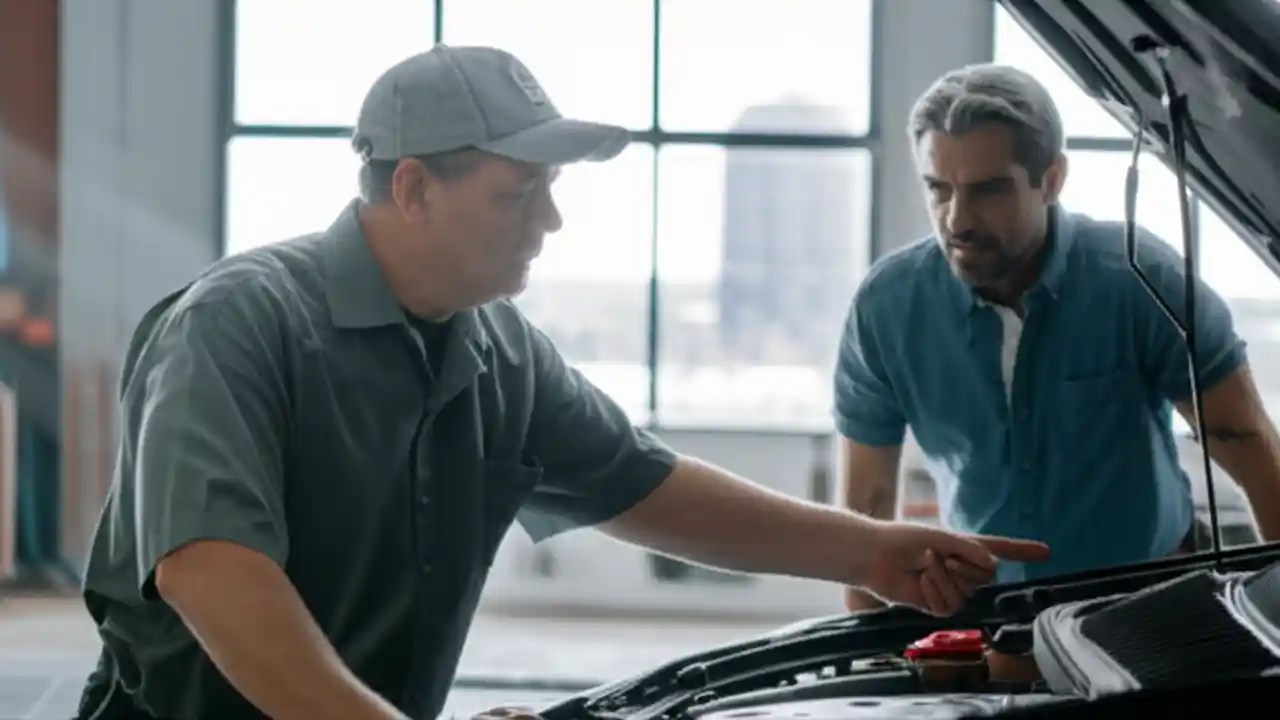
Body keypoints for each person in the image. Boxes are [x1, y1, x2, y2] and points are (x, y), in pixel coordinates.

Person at [73, 46, 1050, 720]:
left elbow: (644, 485)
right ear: (411, 188)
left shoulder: (497, 347)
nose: (549, 223)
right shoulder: (236, 325)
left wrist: (868, 552)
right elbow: (214, 573)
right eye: (518, 194)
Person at [834, 62, 1280, 612]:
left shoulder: (1140, 278)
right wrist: (868, 655)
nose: (957, 220)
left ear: (1052, 178)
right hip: (985, 608)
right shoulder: (887, 305)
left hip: (1153, 597)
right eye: (938, 189)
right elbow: (867, 507)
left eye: (988, 190)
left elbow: (1246, 441)